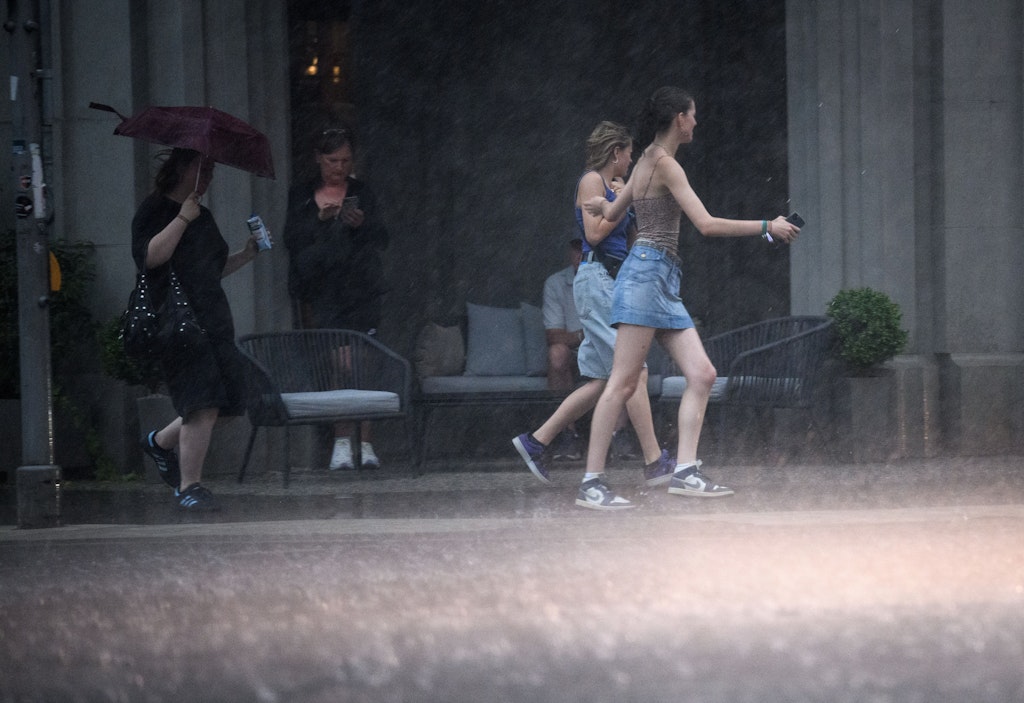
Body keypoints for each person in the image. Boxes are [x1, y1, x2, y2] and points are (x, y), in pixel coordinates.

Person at [581, 86, 800, 509]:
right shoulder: (663, 165)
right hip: (646, 277)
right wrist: (766, 226)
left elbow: (612, 213)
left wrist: (597, 204)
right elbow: (705, 224)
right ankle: (592, 481)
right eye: (693, 115)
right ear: (679, 119)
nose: (696, 122)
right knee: (623, 382)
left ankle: (685, 470)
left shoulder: (646, 159)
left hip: (660, 279)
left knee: (702, 374)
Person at [513, 121, 676, 503]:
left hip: (615, 280)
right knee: (632, 369)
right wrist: (618, 204)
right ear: (615, 152)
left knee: (604, 381)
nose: (632, 158)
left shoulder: (618, 189)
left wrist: (630, 204)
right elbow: (594, 235)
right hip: (597, 276)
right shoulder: (591, 182)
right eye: (628, 152)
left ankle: (537, 441)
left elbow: (635, 242)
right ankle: (653, 460)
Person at [135, 148, 264, 511]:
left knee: (228, 404)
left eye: (211, 171)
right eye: (201, 170)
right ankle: (188, 487)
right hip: (177, 325)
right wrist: (181, 219)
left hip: (214, 321)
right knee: (201, 403)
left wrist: (246, 253)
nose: (207, 178)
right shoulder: (154, 210)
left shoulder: (203, 216)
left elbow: (212, 268)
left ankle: (159, 442)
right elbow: (151, 257)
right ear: (179, 169)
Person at [283, 126, 390, 470]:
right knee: (335, 365)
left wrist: (360, 223)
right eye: (332, 161)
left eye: (345, 161)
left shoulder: (362, 192)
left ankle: (367, 443)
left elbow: (382, 237)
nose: (338, 168)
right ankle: (342, 442)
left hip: (361, 290)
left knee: (361, 363)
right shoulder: (301, 195)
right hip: (322, 292)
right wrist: (320, 221)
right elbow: (293, 242)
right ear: (318, 159)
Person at [542, 237, 584, 460]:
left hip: (603, 350)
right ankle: (568, 435)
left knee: (622, 353)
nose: (581, 254)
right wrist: (581, 335)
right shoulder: (556, 283)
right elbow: (553, 335)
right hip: (573, 353)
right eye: (577, 249)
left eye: (586, 248)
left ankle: (620, 434)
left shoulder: (610, 278)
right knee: (557, 353)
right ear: (570, 251)